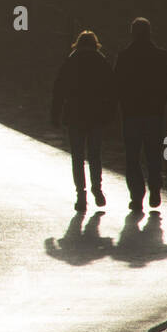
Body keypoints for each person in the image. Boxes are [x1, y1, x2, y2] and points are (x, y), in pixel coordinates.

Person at [113, 17, 167, 212]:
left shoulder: (124, 56)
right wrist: (161, 101)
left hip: (131, 113)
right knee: (153, 155)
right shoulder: (161, 55)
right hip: (154, 113)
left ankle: (136, 196)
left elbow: (115, 84)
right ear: (150, 33)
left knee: (132, 157)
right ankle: (155, 188)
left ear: (132, 33)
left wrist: (122, 103)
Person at [51, 30, 116, 212]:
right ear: (95, 44)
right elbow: (111, 90)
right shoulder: (101, 62)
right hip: (96, 115)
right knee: (95, 155)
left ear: (77, 44)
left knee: (78, 157)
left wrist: (55, 114)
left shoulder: (71, 61)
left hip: (75, 115)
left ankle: (81, 195)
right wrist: (111, 114)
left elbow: (59, 89)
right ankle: (97, 187)